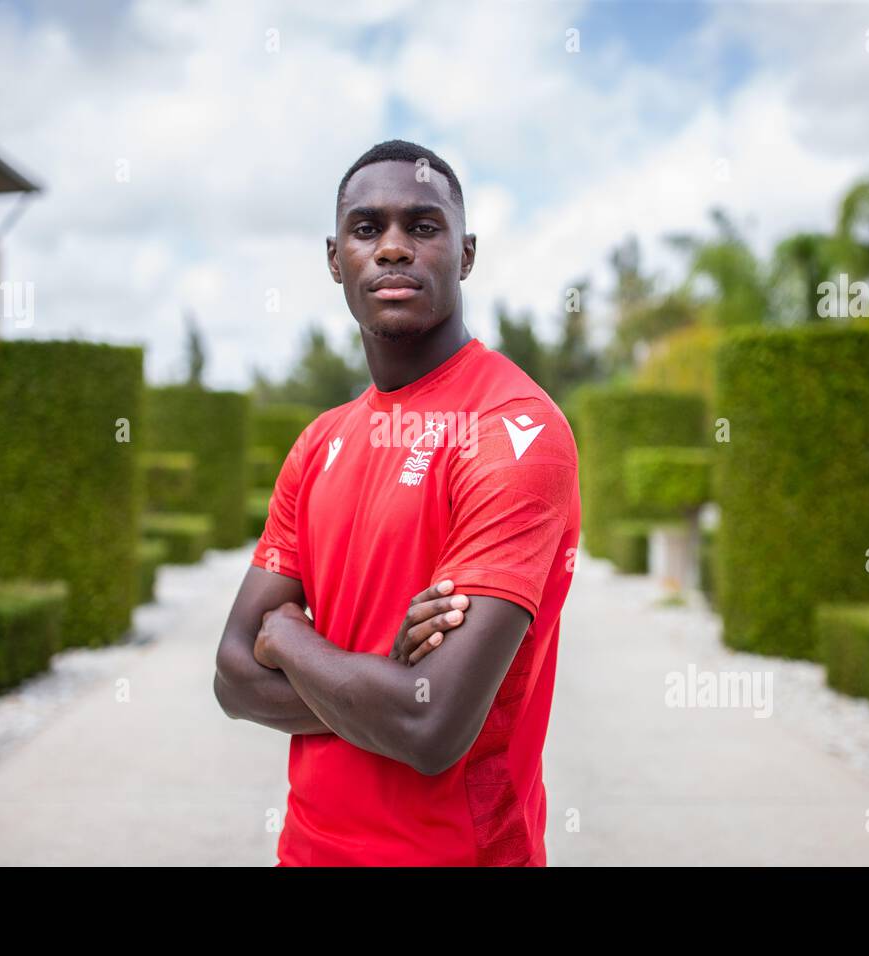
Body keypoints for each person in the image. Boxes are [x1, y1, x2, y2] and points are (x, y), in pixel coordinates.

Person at [213, 139, 581, 866]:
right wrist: (378, 677)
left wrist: (289, 641)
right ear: (333, 257)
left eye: (421, 226)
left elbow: (431, 725)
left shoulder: (515, 432)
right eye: (365, 228)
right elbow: (230, 677)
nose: (390, 249)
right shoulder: (319, 443)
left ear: (465, 253)